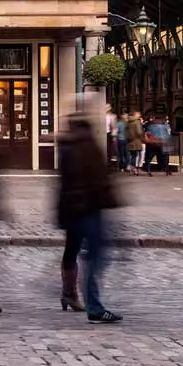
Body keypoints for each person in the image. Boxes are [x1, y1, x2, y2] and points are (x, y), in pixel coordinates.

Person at [56, 107, 122, 323]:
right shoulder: (87, 146)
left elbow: (64, 183)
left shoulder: (67, 147)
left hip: (72, 209)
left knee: (73, 251)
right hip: (88, 209)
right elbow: (98, 180)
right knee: (94, 257)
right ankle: (92, 305)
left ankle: (70, 294)